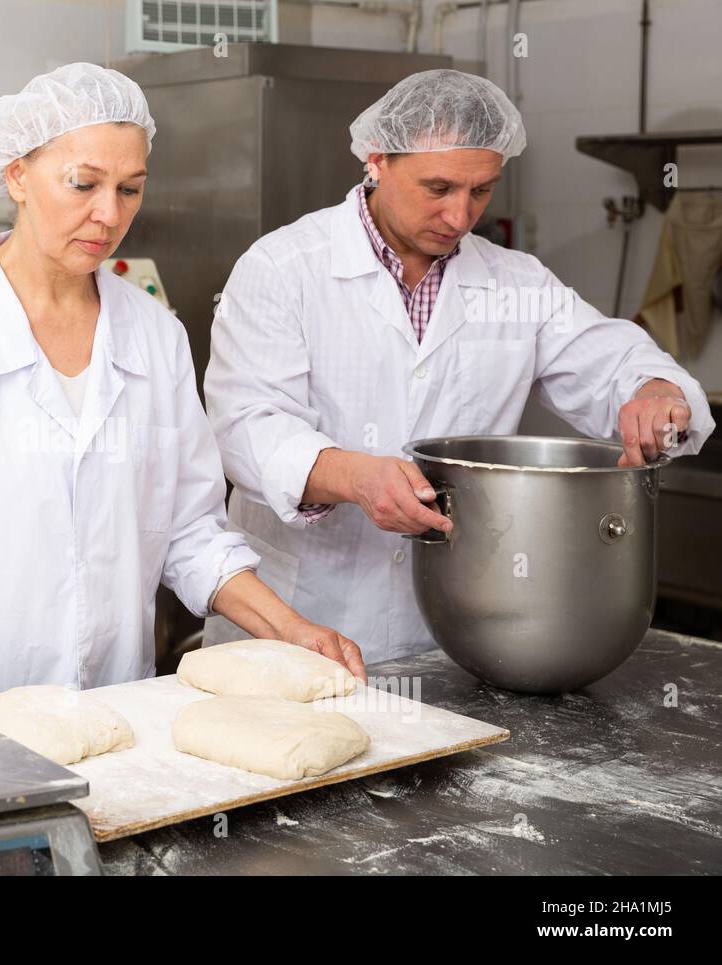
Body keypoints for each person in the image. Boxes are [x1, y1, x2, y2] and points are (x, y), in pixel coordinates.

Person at [0, 63, 364, 747]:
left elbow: (189, 532)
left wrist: (291, 628)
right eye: (83, 184)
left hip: (114, 723)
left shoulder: (155, 336)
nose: (110, 214)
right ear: (16, 175)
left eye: (130, 189)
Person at [202, 69, 715, 663]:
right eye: (438, 187)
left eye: (481, 191)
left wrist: (654, 390)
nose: (459, 216)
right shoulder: (284, 268)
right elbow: (246, 427)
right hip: (299, 619)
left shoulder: (515, 282)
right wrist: (354, 476)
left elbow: (614, 359)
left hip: (448, 634)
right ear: (376, 160)